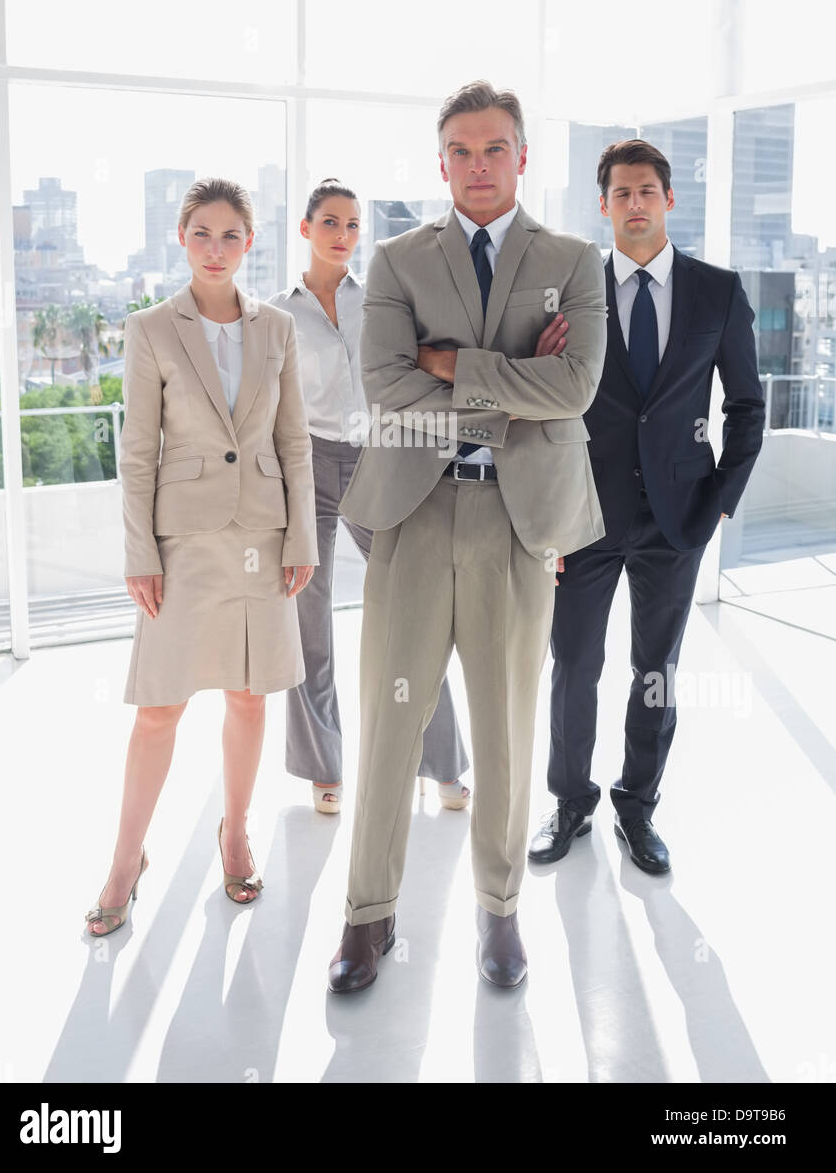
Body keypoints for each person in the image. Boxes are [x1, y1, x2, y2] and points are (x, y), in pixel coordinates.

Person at [327, 80, 607, 992]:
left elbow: (573, 392)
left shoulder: (573, 259)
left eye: (494, 149)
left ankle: (500, 913)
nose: (477, 165)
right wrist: (512, 379)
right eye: (460, 150)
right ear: (439, 160)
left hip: (519, 527)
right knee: (389, 725)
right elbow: (388, 389)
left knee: (504, 730)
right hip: (413, 516)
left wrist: (455, 365)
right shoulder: (401, 260)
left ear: (523, 155)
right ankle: (369, 918)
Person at [84, 177, 317, 936]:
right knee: (160, 709)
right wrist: (139, 551)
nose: (215, 249)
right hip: (181, 545)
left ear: (249, 243)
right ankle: (126, 858)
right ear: (181, 240)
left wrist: (302, 536)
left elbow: (293, 441)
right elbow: (138, 452)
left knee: (250, 698)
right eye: (201, 234)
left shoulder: (278, 328)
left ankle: (237, 832)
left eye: (230, 236)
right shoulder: (152, 328)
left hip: (262, 534)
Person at [528, 139, 765, 875]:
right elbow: (550, 404)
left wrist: (719, 500)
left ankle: (638, 805)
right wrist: (540, 361)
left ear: (668, 200)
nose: (635, 204)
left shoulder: (716, 292)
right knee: (573, 663)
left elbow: (748, 408)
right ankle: (570, 801)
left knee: (655, 668)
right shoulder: (574, 291)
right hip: (584, 515)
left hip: (677, 519)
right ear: (602, 204)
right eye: (621, 193)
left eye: (647, 192)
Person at [268, 178, 470, 814]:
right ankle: (322, 766)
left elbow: (417, 361)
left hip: (373, 459)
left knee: (413, 608)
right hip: (303, 464)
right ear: (305, 229)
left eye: (354, 225)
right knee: (311, 621)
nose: (344, 236)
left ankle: (440, 761)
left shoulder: (380, 301)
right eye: (331, 223)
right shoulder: (277, 313)